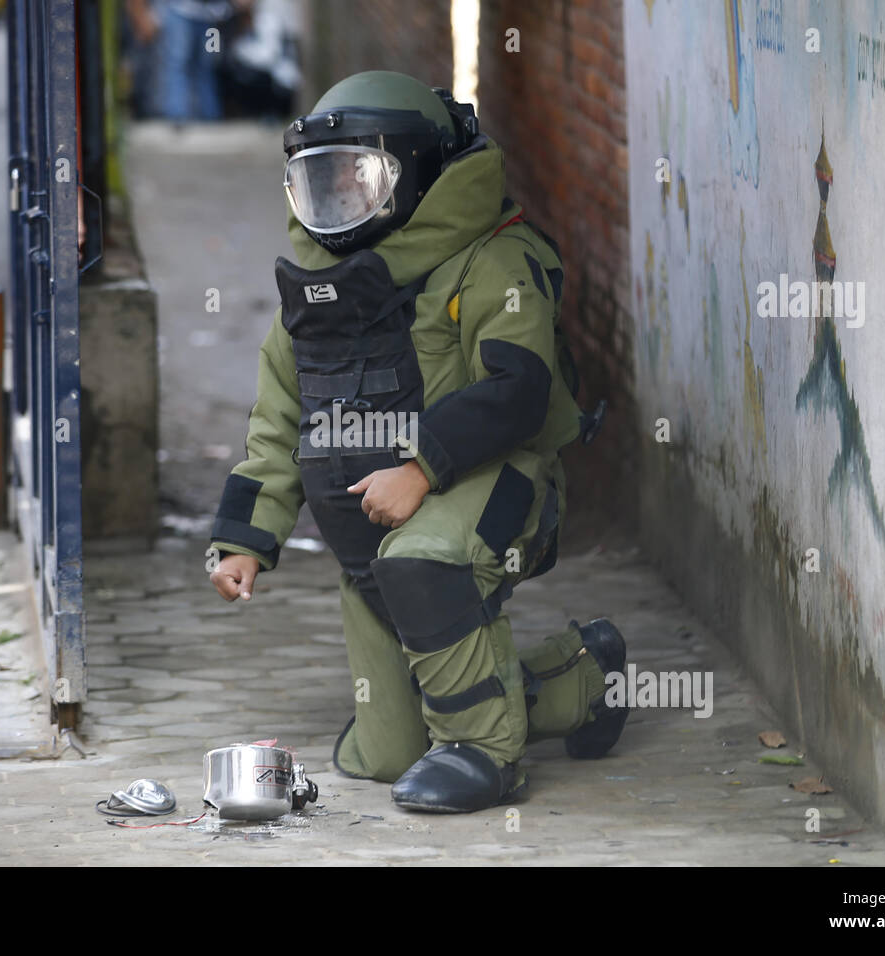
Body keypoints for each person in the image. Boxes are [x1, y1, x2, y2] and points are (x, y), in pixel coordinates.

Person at [207, 71, 627, 813]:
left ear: (418, 175)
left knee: (423, 562)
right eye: (322, 186)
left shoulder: (493, 258)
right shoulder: (319, 299)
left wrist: (422, 464)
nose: (336, 206)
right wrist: (245, 538)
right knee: (388, 754)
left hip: (499, 490)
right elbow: (275, 424)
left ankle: (485, 756)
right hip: (369, 530)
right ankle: (584, 676)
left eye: (356, 183)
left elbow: (519, 389)